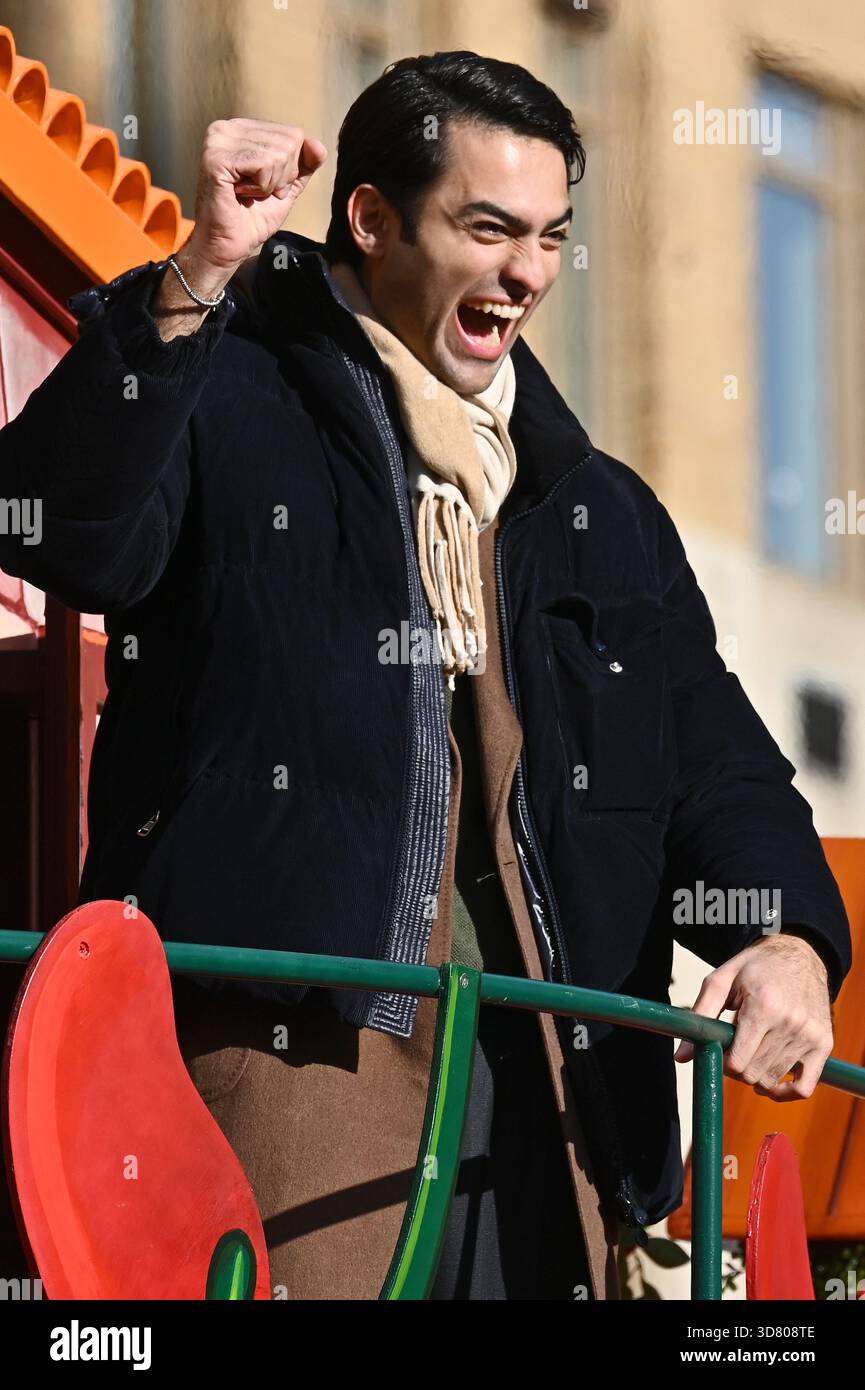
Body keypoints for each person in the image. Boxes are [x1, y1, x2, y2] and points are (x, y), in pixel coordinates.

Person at [0, 51, 851, 1300]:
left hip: (557, 1119)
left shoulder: (596, 507)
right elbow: (57, 522)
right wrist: (196, 274)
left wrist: (786, 939)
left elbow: (718, 771)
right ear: (370, 219)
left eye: (552, 236)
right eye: (489, 228)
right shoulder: (223, 390)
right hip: (283, 1080)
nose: (526, 274)